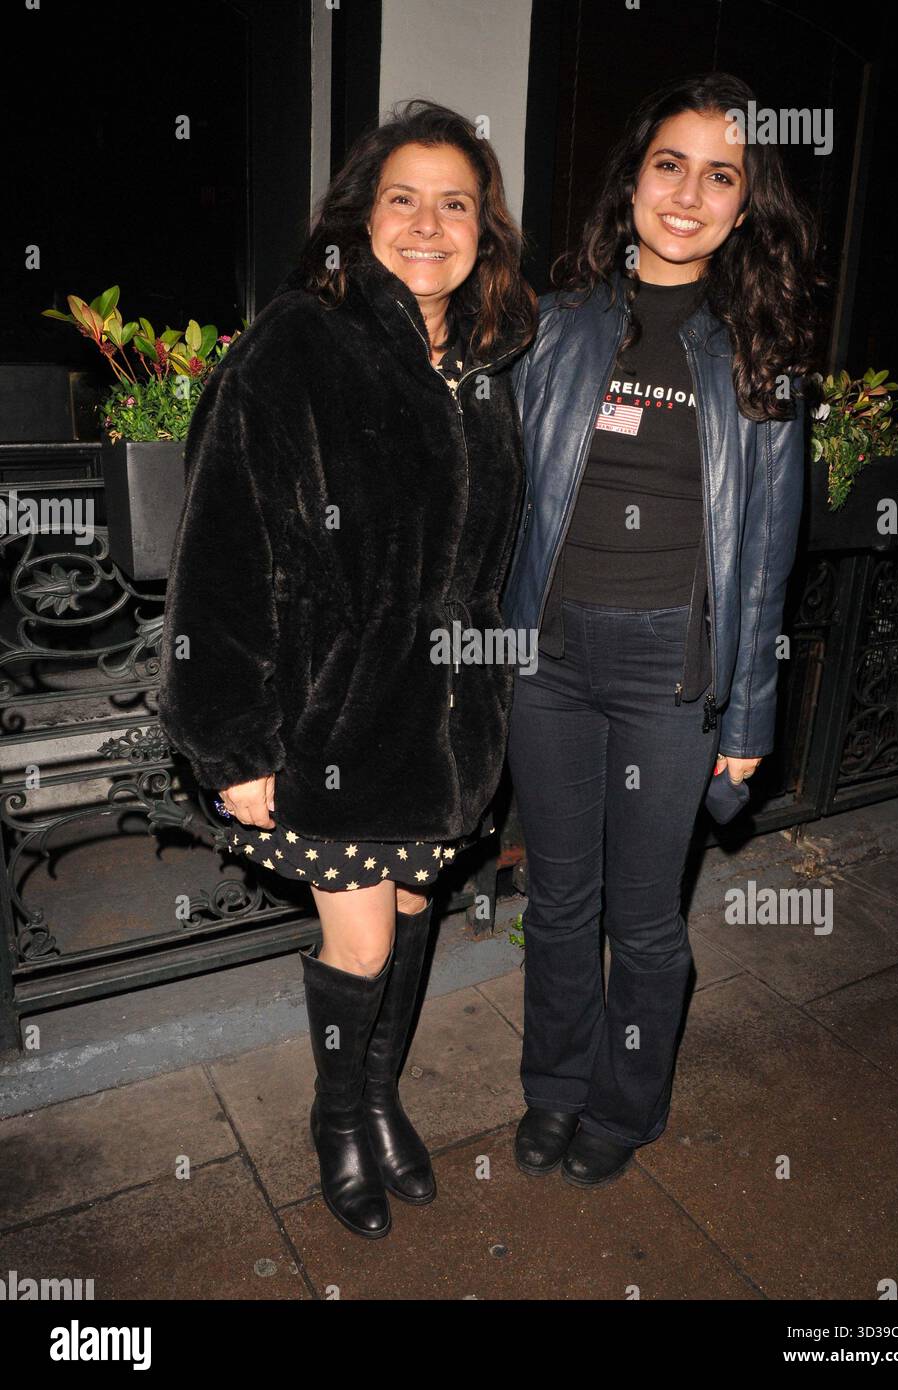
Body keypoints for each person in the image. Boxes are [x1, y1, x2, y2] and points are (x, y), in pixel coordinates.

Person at [158, 100, 536, 1239]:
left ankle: (380, 1096)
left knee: (416, 903)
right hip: (327, 722)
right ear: (356, 219)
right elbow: (221, 550)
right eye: (401, 199)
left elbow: (489, 559)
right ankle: (338, 1118)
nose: (429, 224)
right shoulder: (297, 341)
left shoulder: (481, 362)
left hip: (443, 726)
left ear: (485, 228)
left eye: (454, 203)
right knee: (359, 939)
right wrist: (231, 745)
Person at [501, 74, 826, 1187]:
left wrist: (748, 712)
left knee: (643, 921)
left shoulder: (757, 354)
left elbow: (768, 554)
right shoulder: (554, 328)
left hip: (664, 671)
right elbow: (498, 501)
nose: (686, 194)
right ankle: (551, 1085)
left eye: (719, 175)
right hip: (545, 659)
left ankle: (622, 1103)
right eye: (668, 165)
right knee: (555, 901)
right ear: (631, 181)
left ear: (745, 206)